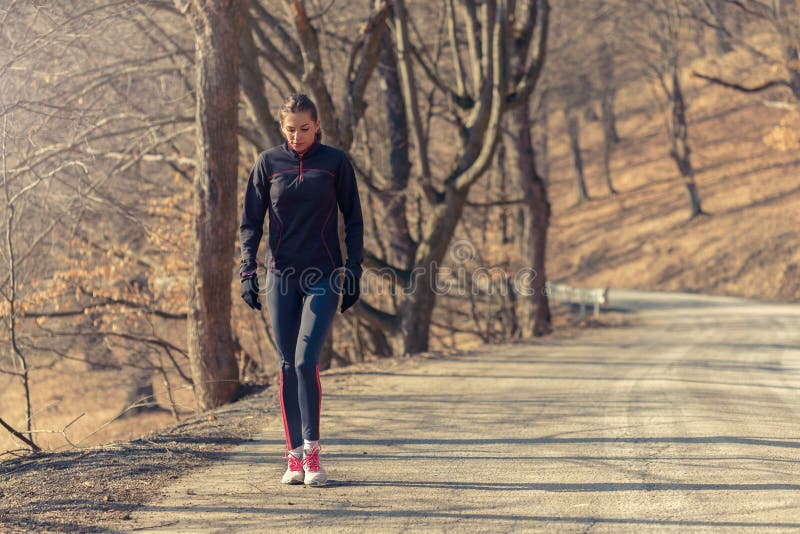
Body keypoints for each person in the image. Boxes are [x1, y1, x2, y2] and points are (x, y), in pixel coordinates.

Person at [239, 93, 364, 486]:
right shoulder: (267, 163)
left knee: (306, 358)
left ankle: (312, 453)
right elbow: (250, 224)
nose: (297, 137)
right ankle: (292, 455)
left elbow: (355, 220)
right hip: (281, 275)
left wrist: (354, 270)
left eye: (305, 129)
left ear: (317, 126)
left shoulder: (335, 163)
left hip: (324, 274)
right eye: (290, 130)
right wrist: (247, 270)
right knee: (286, 364)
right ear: (281, 127)